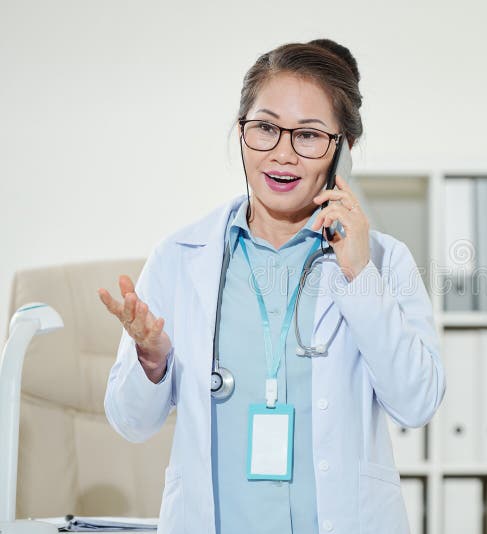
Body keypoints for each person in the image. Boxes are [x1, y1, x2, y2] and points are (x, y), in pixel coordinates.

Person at [97, 39, 445, 534]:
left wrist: (359, 275)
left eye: (307, 135)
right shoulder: (179, 258)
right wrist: (151, 362)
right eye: (264, 128)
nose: (282, 154)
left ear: (342, 150)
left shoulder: (383, 260)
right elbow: (130, 423)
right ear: (240, 133)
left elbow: (417, 401)